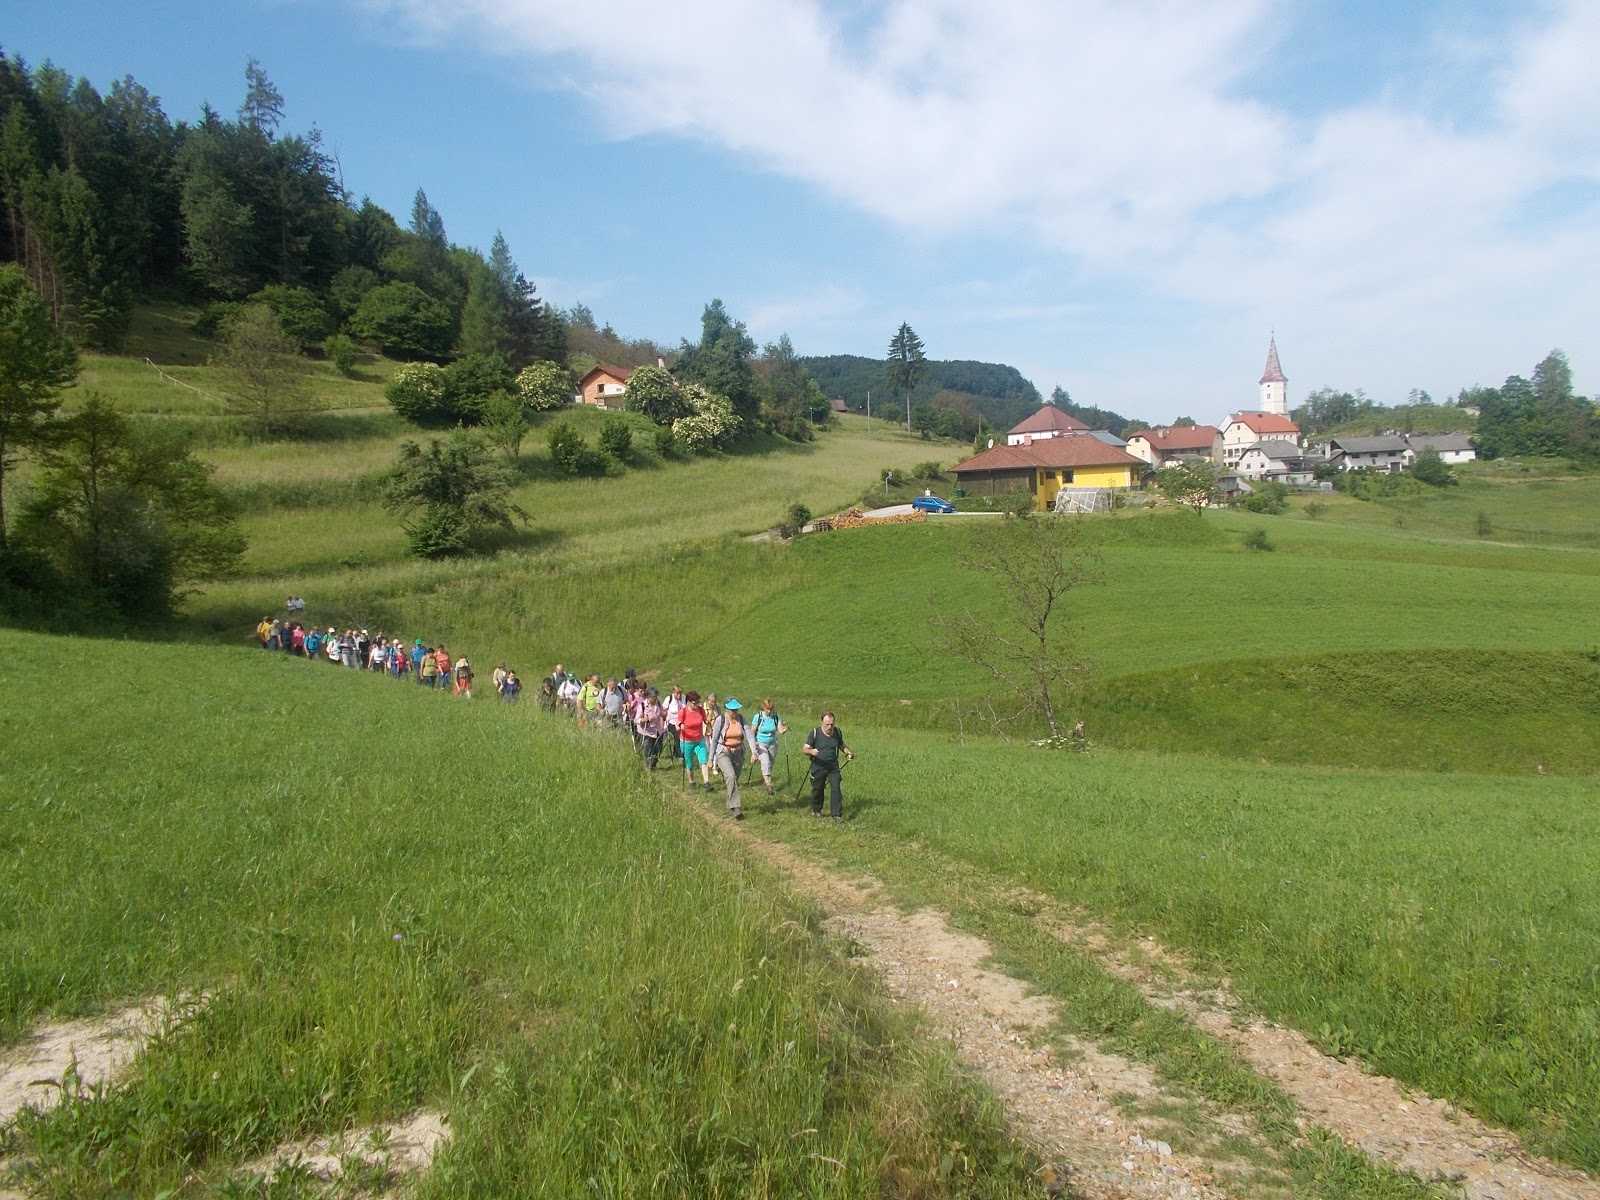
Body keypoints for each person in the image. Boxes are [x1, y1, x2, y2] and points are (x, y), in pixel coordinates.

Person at [803, 712, 854, 820]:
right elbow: (805, 749)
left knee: (836, 788)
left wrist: (848, 752)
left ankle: (836, 814)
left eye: (832, 724)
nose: (830, 727)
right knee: (818, 789)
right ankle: (817, 810)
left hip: (833, 766)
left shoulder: (837, 732)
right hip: (818, 766)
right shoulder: (815, 733)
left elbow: (841, 744)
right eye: (827, 724)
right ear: (822, 722)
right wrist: (812, 751)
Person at [710, 698, 748, 819]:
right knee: (731, 776)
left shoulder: (741, 719)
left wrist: (754, 752)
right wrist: (710, 758)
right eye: (732, 710)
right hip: (723, 751)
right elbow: (715, 739)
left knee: (734, 779)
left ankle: (730, 803)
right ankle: (736, 807)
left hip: (738, 752)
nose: (734, 712)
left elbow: (749, 735)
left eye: (736, 709)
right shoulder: (720, 720)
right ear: (727, 709)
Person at [749, 698, 786, 795]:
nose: (769, 711)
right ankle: (769, 784)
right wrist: (754, 744)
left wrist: (785, 729)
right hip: (761, 743)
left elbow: (780, 730)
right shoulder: (758, 717)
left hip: (772, 743)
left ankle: (766, 780)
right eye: (767, 709)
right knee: (765, 762)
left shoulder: (776, 716)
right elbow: (752, 731)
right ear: (763, 707)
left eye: (770, 709)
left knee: (770, 762)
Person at [679, 691, 712, 792]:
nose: (697, 704)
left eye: (698, 702)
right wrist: (681, 726)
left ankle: (706, 782)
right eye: (695, 702)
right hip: (687, 741)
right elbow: (679, 723)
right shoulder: (683, 712)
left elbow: (705, 720)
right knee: (690, 764)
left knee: (703, 760)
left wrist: (708, 720)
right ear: (688, 702)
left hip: (699, 740)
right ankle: (691, 781)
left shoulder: (700, 710)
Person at [637, 687, 666, 770]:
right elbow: (637, 719)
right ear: (649, 696)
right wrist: (643, 720)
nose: (656, 698)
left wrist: (663, 725)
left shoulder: (658, 704)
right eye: (654, 696)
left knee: (658, 748)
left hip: (657, 730)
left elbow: (661, 715)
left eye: (656, 696)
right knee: (648, 750)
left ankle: (654, 762)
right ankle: (650, 766)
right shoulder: (642, 706)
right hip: (646, 731)